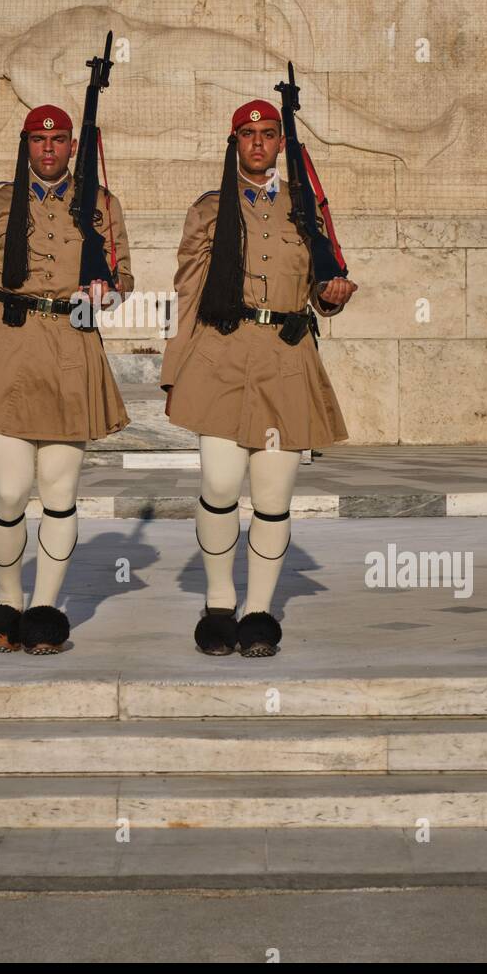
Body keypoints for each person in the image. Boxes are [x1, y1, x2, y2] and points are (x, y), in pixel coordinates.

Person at [160, 99, 357, 657]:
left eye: (268, 134)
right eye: (247, 134)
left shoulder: (306, 209)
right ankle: (220, 601)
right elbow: (188, 294)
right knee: (220, 486)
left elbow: (323, 287)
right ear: (234, 142)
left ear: (279, 144)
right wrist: (175, 373)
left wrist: (333, 296)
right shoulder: (209, 209)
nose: (258, 143)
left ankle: (259, 611)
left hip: (285, 360)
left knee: (272, 496)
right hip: (220, 357)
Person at [0, 104, 133, 655]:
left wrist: (107, 294)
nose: (49, 150)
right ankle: (8, 600)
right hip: (8, 346)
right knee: (7, 489)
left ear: (74, 146)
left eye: (60, 141)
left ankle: (45, 609)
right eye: (39, 141)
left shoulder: (100, 205)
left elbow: (124, 279)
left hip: (71, 346)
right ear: (25, 144)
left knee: (60, 491)